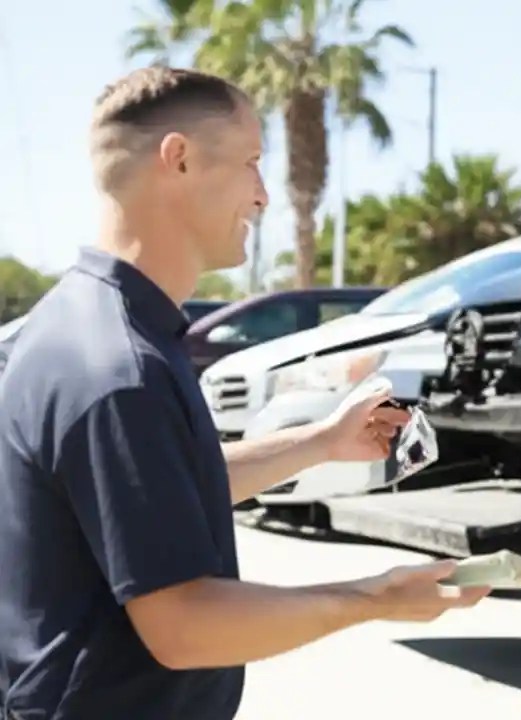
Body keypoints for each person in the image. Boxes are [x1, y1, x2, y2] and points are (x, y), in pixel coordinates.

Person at [0, 67, 489, 720]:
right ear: (178, 160)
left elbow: (149, 494)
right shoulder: (120, 366)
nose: (263, 196)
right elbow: (184, 626)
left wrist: (320, 442)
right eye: (253, 162)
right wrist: (378, 598)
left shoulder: (83, 322)